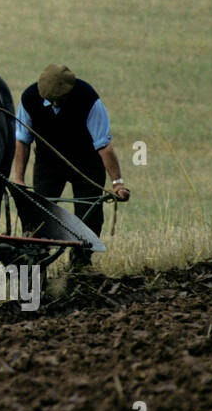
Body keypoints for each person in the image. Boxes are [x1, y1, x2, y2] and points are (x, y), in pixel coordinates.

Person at [11, 64, 130, 267]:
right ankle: (37, 260)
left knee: (89, 216)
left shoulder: (88, 99)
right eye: (50, 100)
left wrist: (117, 183)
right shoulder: (30, 98)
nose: (55, 102)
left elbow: (104, 146)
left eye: (60, 99)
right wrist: (19, 179)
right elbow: (22, 140)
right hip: (48, 164)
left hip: (86, 164)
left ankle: (80, 263)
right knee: (41, 213)